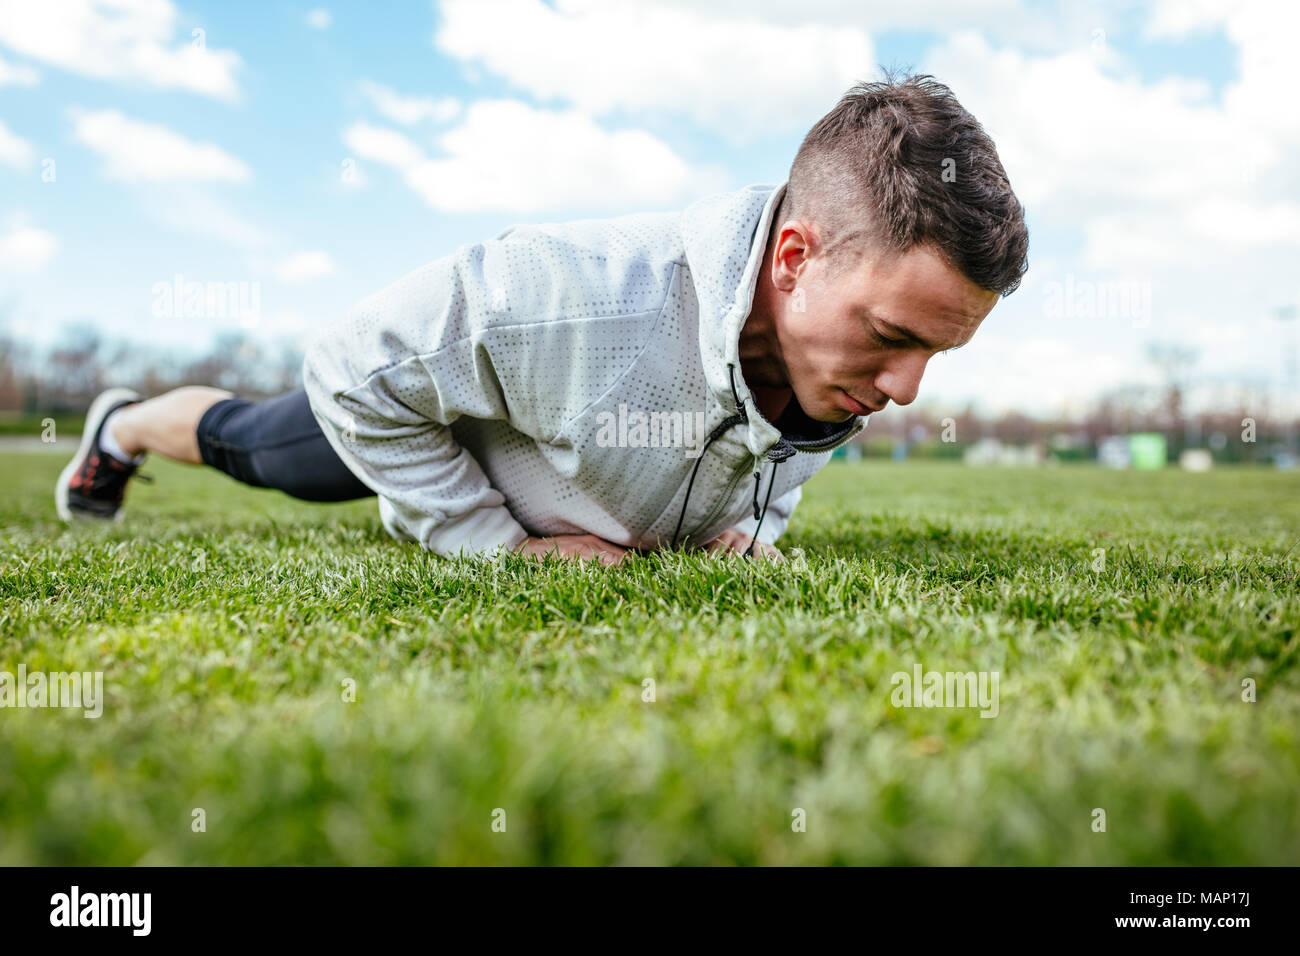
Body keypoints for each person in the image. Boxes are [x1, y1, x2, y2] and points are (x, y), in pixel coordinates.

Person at [56, 73, 1028, 565]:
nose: (904, 390)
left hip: (583, 466)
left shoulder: (824, 352)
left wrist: (744, 524)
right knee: (259, 447)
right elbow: (356, 368)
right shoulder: (572, 292)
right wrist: (499, 542)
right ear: (792, 260)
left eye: (935, 351)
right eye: (894, 338)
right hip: (459, 426)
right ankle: (124, 423)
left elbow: (774, 450)